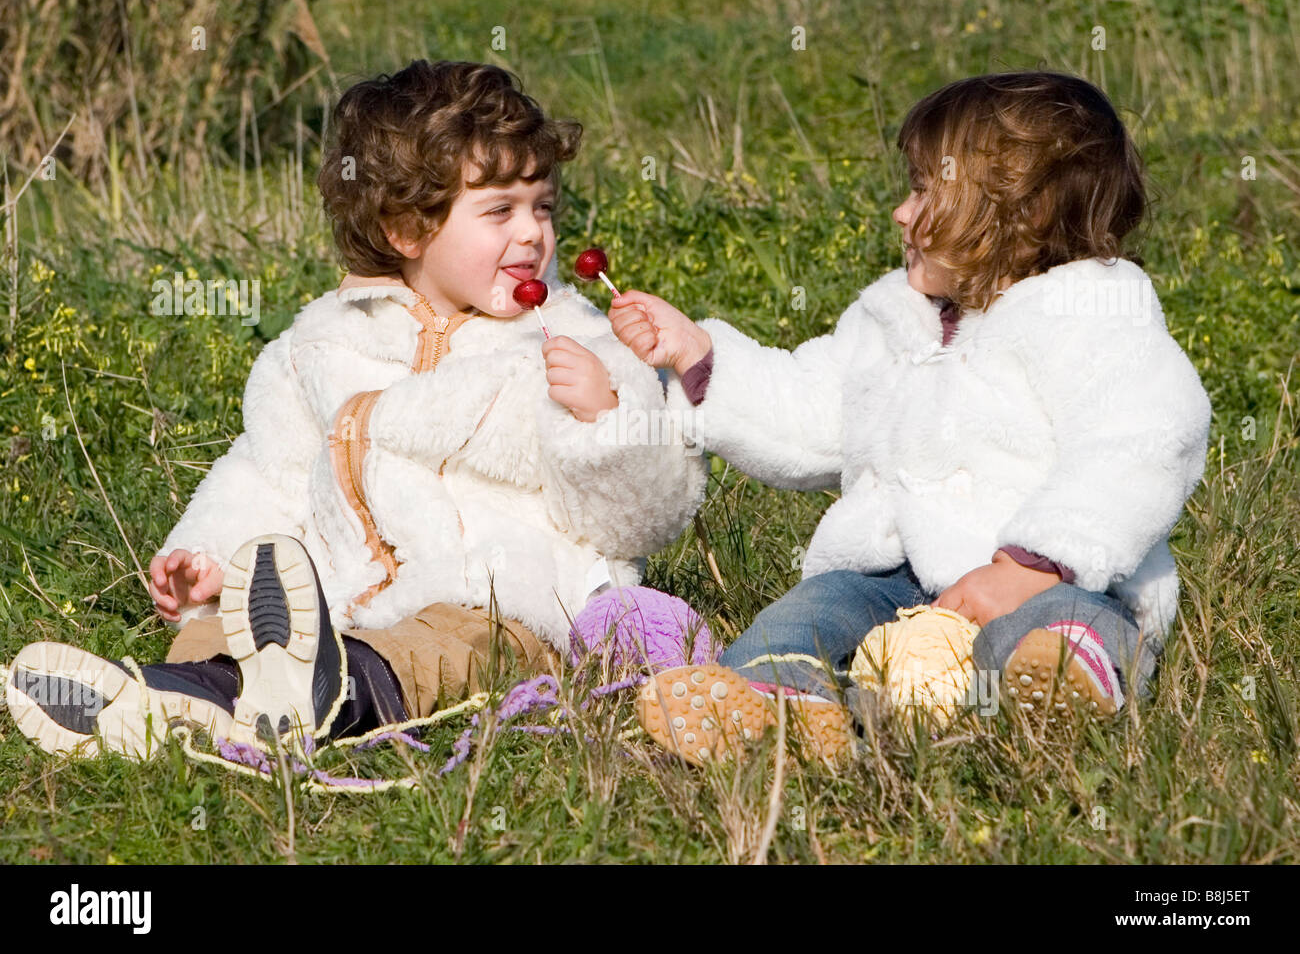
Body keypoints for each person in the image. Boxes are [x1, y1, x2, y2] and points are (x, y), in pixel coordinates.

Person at [6, 59, 706, 759]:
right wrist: (210, 558)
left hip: (500, 600)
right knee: (220, 622)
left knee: (446, 647)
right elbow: (264, 471)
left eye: (543, 207)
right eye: (500, 210)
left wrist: (604, 417)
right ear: (406, 227)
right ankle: (184, 694)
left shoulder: (576, 338)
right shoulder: (321, 342)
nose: (532, 234)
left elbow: (642, 515)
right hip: (334, 598)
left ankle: (315, 698)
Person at [609, 71, 1212, 766]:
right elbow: (814, 407)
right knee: (807, 615)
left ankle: (1055, 682)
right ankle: (775, 706)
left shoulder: (1094, 317)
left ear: (1026, 213)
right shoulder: (891, 318)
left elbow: (1141, 441)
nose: (900, 211)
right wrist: (699, 356)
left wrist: (1034, 565)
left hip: (1049, 577)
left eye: (926, 190)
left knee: (1068, 624)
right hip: (884, 573)